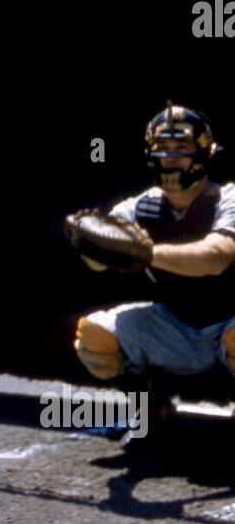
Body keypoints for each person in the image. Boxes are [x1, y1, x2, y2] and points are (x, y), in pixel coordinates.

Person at [73, 104, 235, 415]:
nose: (171, 157)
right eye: (162, 148)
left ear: (205, 152)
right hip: (177, 323)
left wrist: (145, 253)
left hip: (229, 319)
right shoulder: (137, 209)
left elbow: (217, 257)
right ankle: (150, 408)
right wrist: (92, 245)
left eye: (182, 147)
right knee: (94, 338)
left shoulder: (228, 198)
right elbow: (95, 264)